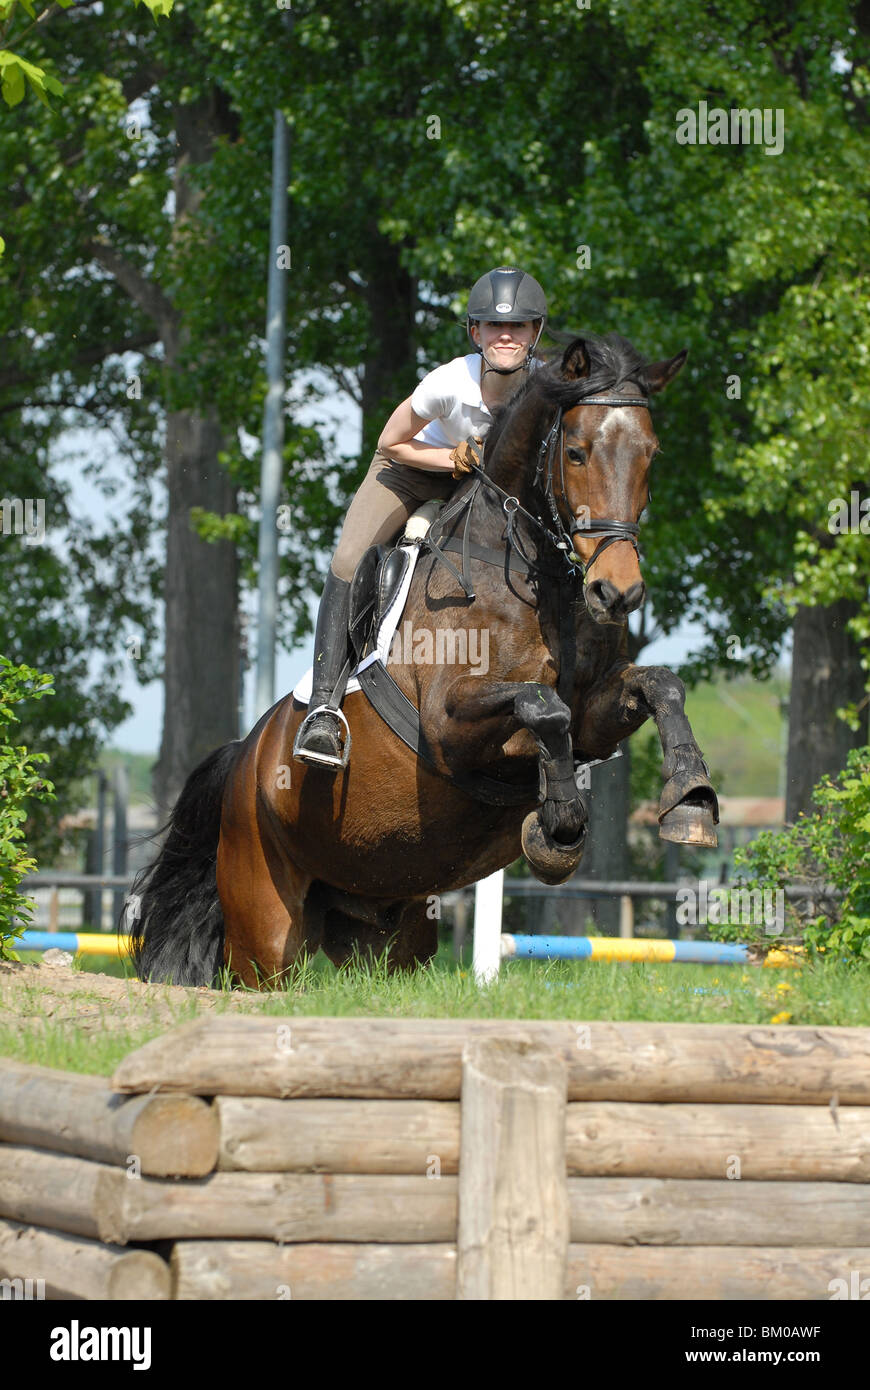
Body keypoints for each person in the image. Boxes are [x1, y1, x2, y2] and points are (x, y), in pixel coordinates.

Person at [294, 265, 548, 768]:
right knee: (349, 558)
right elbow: (391, 442)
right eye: (493, 326)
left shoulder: (545, 388)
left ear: (535, 333)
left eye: (517, 326)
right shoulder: (449, 382)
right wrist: (452, 457)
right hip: (411, 468)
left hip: (484, 485)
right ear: (475, 333)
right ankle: (323, 708)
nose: (505, 335)